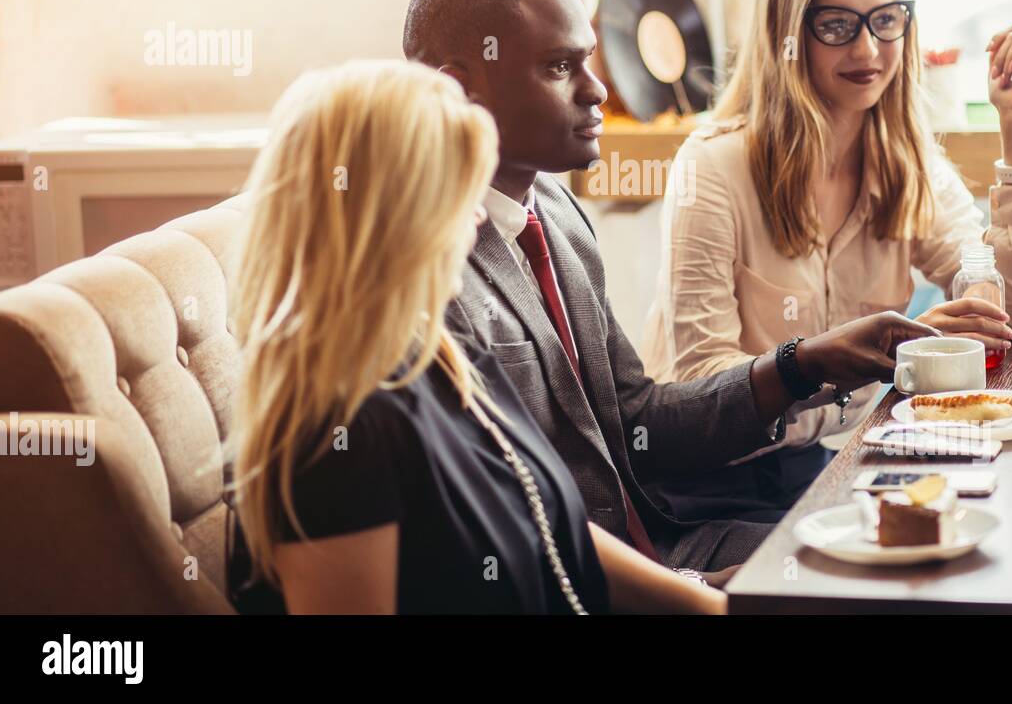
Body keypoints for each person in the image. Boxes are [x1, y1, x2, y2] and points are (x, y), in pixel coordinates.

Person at [402, 0, 938, 574]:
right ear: (458, 89)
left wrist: (803, 364)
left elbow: (637, 425)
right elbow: (496, 526)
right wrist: (698, 588)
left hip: (661, 541)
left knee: (906, 552)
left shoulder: (555, 213)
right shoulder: (424, 267)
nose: (598, 87)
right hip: (579, 582)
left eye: (590, 57)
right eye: (558, 67)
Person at [227, 60, 726, 613]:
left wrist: (708, 605)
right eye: (459, 197)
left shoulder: (442, 349)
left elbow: (552, 527)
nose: (480, 223)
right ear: (389, 215)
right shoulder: (337, 432)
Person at [640, 0, 1012, 518]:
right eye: (836, 25)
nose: (868, 50)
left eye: (886, 21)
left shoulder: (904, 161)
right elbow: (706, 389)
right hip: (708, 485)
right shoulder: (712, 168)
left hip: (826, 466)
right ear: (788, 36)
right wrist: (880, 357)